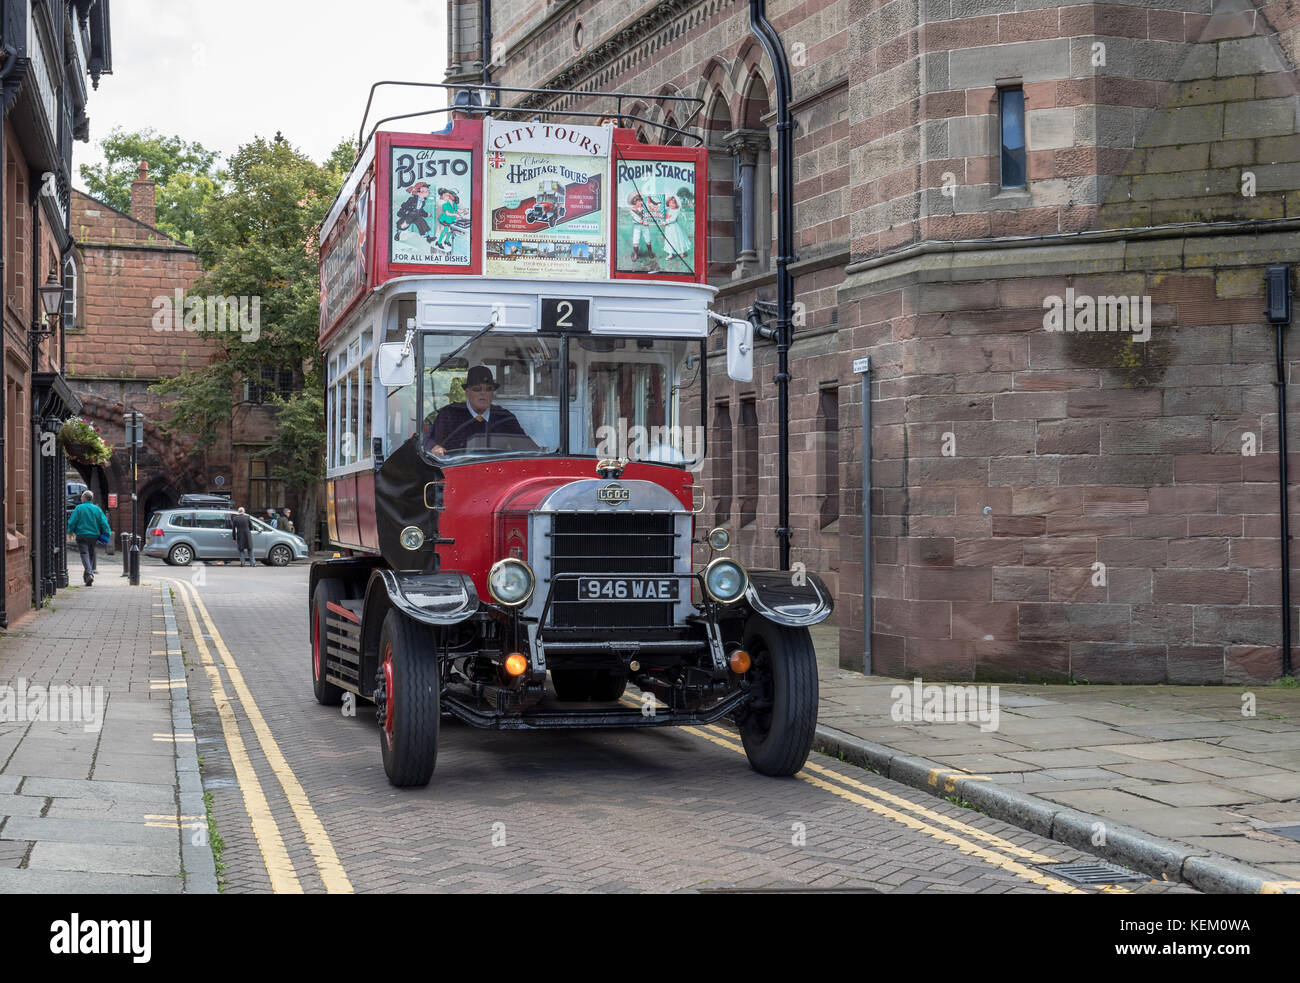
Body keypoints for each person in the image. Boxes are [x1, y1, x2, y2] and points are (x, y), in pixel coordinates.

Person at [424, 366, 533, 457]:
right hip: (457, 473)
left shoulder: (505, 418)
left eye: (488, 389)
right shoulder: (449, 415)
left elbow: (527, 448)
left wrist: (541, 452)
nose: (483, 393)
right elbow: (426, 440)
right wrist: (434, 447)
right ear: (467, 392)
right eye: (477, 389)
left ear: (493, 393)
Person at [67, 490, 111, 586]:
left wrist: (70, 532)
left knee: (84, 554)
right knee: (90, 555)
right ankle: (87, 578)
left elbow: (72, 521)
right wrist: (107, 534)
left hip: (81, 535)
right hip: (93, 536)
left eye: (82, 497)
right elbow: (104, 523)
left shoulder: (79, 508)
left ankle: (89, 573)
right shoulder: (97, 509)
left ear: (84, 498)